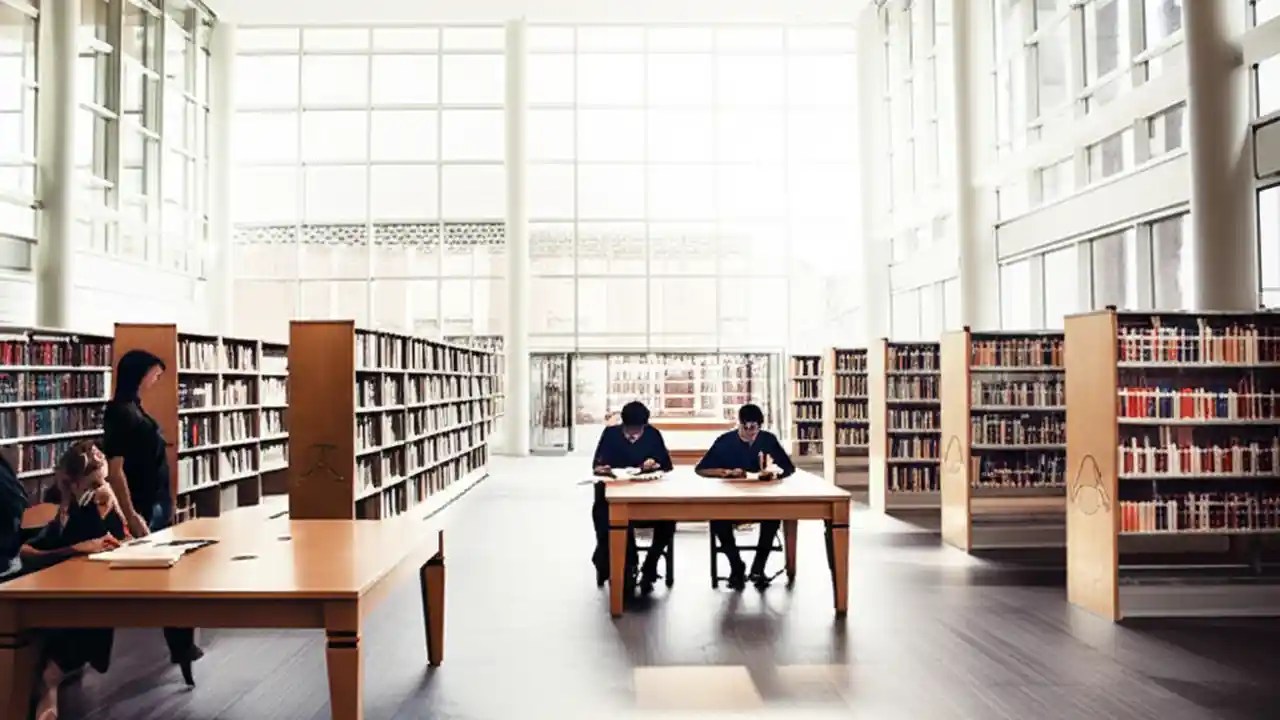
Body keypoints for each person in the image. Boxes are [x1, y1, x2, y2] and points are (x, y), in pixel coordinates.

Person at [101, 349, 204, 681]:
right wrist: (131, 515)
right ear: (139, 373)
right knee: (167, 579)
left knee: (170, 577)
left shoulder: (133, 408)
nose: (157, 380)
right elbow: (115, 471)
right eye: (155, 374)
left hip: (156, 502)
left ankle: (181, 645)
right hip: (143, 506)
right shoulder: (118, 412)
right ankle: (179, 645)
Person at [19, 441, 125, 720]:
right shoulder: (63, 514)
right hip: (56, 594)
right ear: (73, 485)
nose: (100, 490)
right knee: (85, 613)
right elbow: (28, 552)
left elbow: (125, 536)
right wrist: (76, 549)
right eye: (92, 485)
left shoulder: (102, 507)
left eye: (104, 482)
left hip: (91, 587)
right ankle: (49, 680)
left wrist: (116, 505)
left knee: (97, 607)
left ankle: (51, 679)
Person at [696, 403, 796, 590]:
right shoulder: (725, 441)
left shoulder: (767, 439)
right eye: (747, 428)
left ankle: (758, 568)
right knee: (718, 521)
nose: (751, 433)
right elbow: (701, 469)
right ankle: (736, 566)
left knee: (773, 518)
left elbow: (789, 468)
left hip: (761, 497)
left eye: (755, 428)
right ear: (739, 424)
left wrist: (774, 473)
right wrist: (725, 472)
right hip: (731, 499)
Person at [590, 401, 675, 595]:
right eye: (630, 430)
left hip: (647, 496)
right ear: (623, 424)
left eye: (638, 430)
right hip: (617, 496)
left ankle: (650, 565)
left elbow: (667, 464)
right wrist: (602, 468)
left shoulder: (653, 434)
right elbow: (597, 464)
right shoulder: (610, 434)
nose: (634, 434)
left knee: (668, 521)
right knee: (611, 520)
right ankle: (627, 566)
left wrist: (654, 464)